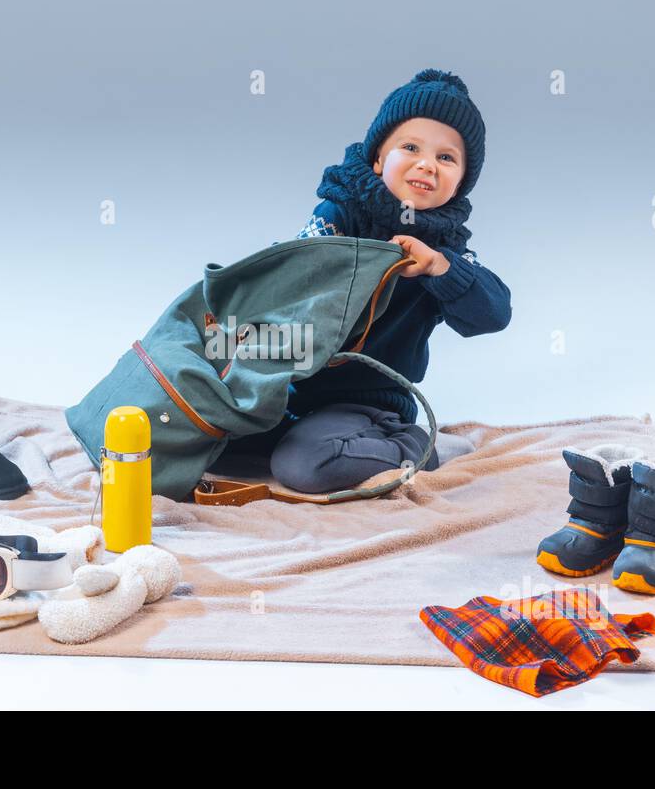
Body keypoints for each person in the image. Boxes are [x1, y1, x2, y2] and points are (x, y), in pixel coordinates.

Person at [210, 68, 512, 493]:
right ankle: (288, 436)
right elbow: (291, 273)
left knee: (305, 466)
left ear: (460, 182)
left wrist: (438, 267)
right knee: (205, 439)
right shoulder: (341, 213)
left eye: (447, 158)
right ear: (377, 159)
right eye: (411, 147)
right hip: (290, 390)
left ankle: (411, 446)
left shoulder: (446, 248)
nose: (428, 164)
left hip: (365, 405)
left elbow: (494, 313)